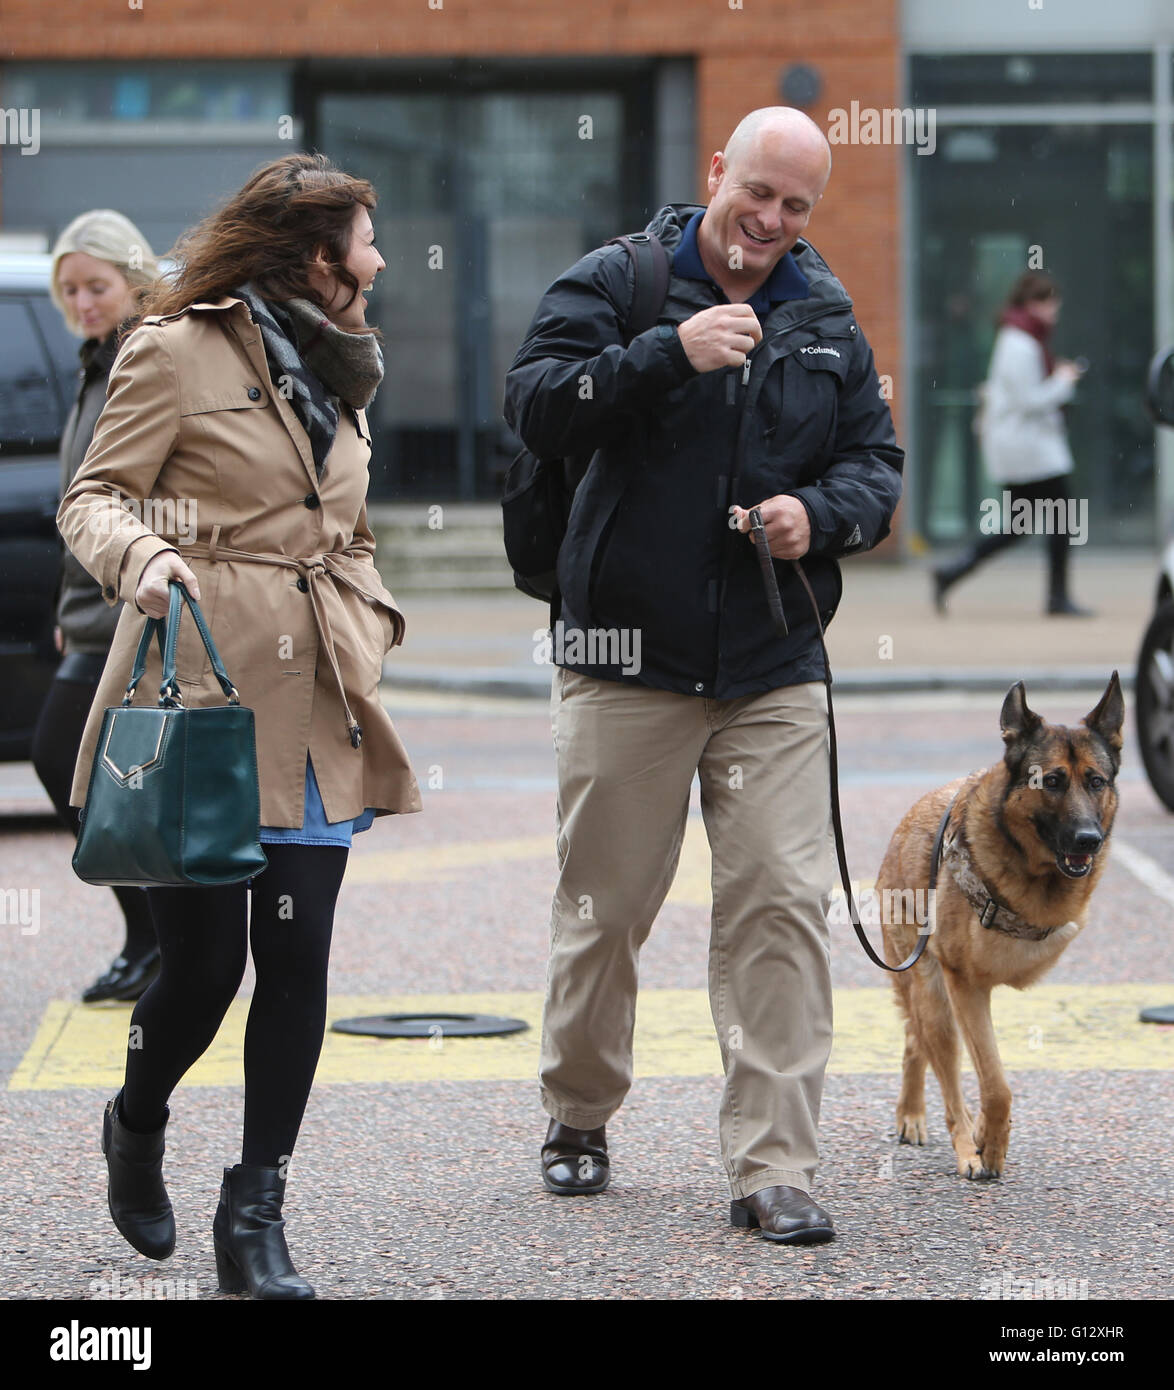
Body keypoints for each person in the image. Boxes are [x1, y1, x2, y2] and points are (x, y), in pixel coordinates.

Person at [504, 107, 903, 1244]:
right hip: (624, 654)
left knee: (780, 900)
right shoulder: (619, 280)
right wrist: (659, 355)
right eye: (756, 194)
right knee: (606, 906)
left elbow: (875, 466)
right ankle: (578, 1114)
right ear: (716, 171)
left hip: (772, 660)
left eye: (795, 207)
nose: (769, 221)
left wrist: (812, 516)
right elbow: (530, 403)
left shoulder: (823, 313)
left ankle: (773, 1164)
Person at [57, 153, 421, 1299]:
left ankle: (254, 1208)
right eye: (364, 240)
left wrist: (368, 611)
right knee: (204, 970)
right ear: (315, 254)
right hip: (202, 692)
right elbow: (90, 497)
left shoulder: (344, 363)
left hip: (317, 692)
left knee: (297, 953)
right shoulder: (174, 347)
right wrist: (146, 555)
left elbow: (343, 522)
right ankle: (138, 1113)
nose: (377, 259)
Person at [32, 210, 162, 1004]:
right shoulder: (94, 361)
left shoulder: (141, 358)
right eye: (70, 289)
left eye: (97, 286)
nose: (82, 301)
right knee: (108, 779)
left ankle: (161, 937)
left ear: (132, 279)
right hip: (90, 605)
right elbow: (78, 500)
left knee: (67, 760)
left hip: (132, 601)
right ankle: (153, 938)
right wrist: (67, 605)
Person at [932, 271, 1090, 616]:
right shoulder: (1020, 342)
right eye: (1052, 305)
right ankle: (1057, 598)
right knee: (1059, 519)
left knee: (1020, 526)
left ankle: (952, 571)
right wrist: (1064, 381)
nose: (1055, 314)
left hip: (1025, 450)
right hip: (1029, 450)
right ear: (1035, 303)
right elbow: (1029, 401)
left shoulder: (1019, 338)